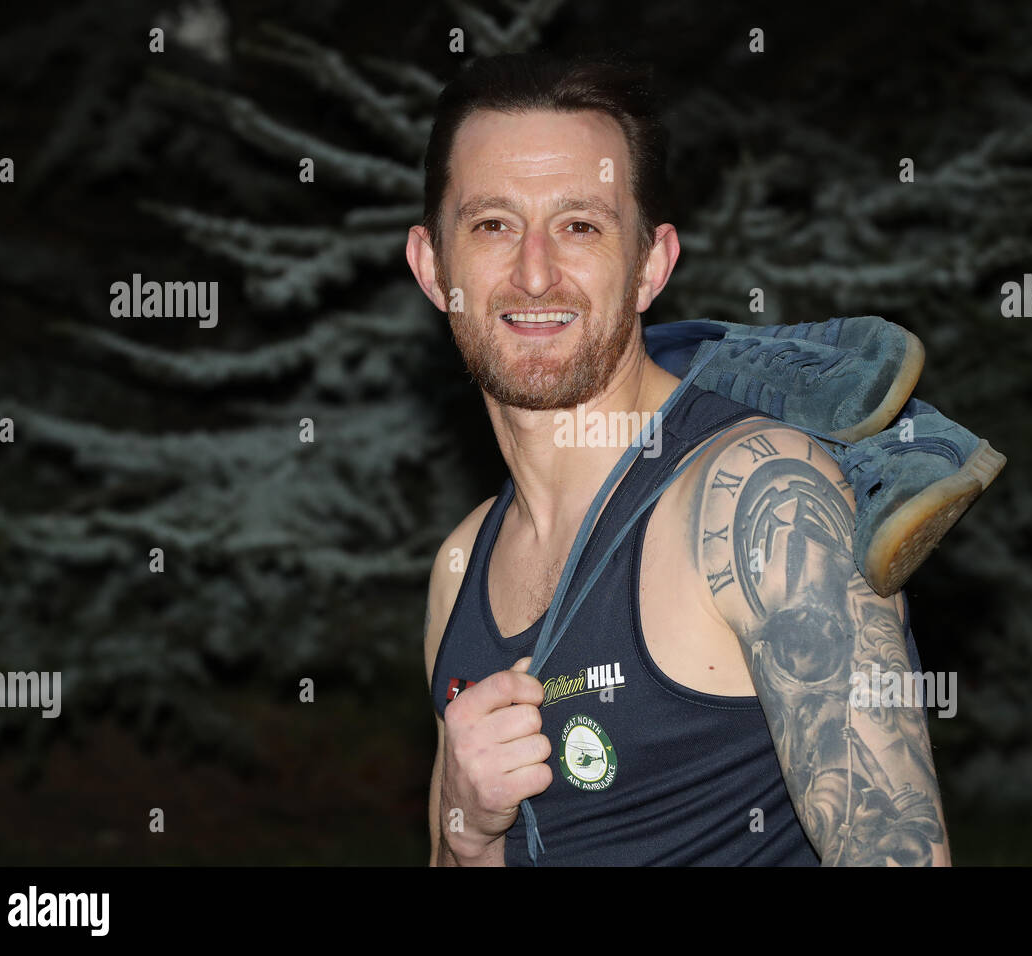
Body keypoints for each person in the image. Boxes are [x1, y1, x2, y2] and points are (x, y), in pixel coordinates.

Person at [405, 52, 970, 865]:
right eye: (493, 224)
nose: (534, 273)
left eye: (580, 226)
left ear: (650, 266)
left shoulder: (758, 499)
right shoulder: (460, 568)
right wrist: (465, 827)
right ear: (432, 266)